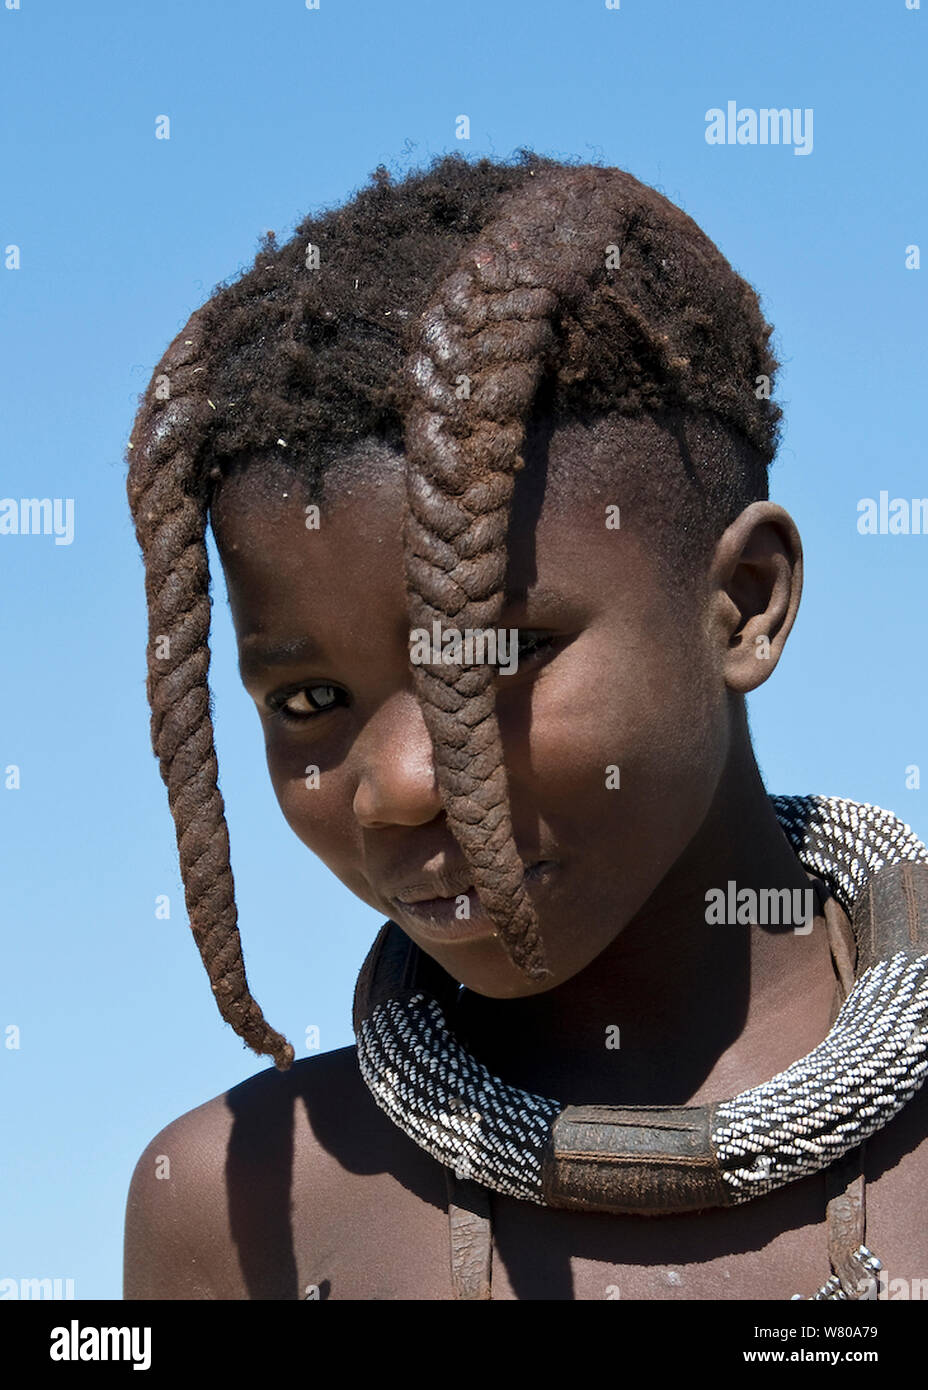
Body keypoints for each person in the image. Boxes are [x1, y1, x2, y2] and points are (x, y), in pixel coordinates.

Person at [122, 151, 928, 1300]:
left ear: (743, 603)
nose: (398, 783)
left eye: (492, 658)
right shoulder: (238, 1212)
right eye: (309, 702)